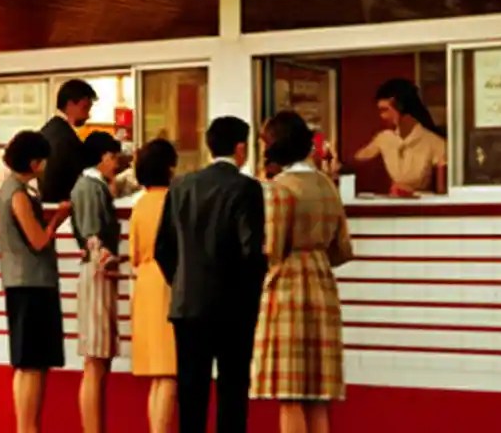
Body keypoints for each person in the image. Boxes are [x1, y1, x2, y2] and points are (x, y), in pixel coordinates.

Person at [155, 116, 266, 433]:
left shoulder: (181, 186)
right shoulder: (246, 188)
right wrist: (251, 296)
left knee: (191, 393)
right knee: (232, 392)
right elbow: (250, 250)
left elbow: (163, 246)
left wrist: (180, 281)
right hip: (232, 308)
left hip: (187, 305)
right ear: (241, 148)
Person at [251, 111, 354, 433]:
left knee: (291, 393)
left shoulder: (278, 189)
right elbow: (342, 249)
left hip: (288, 287)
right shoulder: (326, 185)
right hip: (322, 282)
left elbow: (272, 247)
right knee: (317, 394)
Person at [0, 130, 73, 433]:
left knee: (33, 363)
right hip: (30, 285)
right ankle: (27, 428)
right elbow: (38, 239)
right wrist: (60, 218)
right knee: (31, 364)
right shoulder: (17, 193)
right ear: (33, 161)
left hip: (25, 284)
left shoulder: (15, 189)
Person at [70, 131, 124, 433]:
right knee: (96, 361)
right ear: (103, 156)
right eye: (113, 156)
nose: (116, 163)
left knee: (99, 360)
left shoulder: (91, 185)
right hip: (97, 273)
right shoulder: (91, 188)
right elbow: (93, 238)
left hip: (95, 271)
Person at [129, 139, 180, 433]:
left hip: (146, 286)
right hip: (169, 284)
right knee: (170, 373)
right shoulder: (175, 201)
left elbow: (134, 254)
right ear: (169, 167)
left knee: (156, 377)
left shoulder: (140, 205)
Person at [354, 78, 447, 195]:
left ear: (402, 108)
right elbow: (358, 160)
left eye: (385, 110)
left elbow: (442, 192)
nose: (382, 116)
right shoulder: (384, 138)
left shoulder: (435, 143)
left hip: (422, 207)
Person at [39, 79, 97, 203]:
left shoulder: (48, 130)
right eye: (85, 108)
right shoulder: (64, 138)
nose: (88, 116)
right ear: (70, 105)